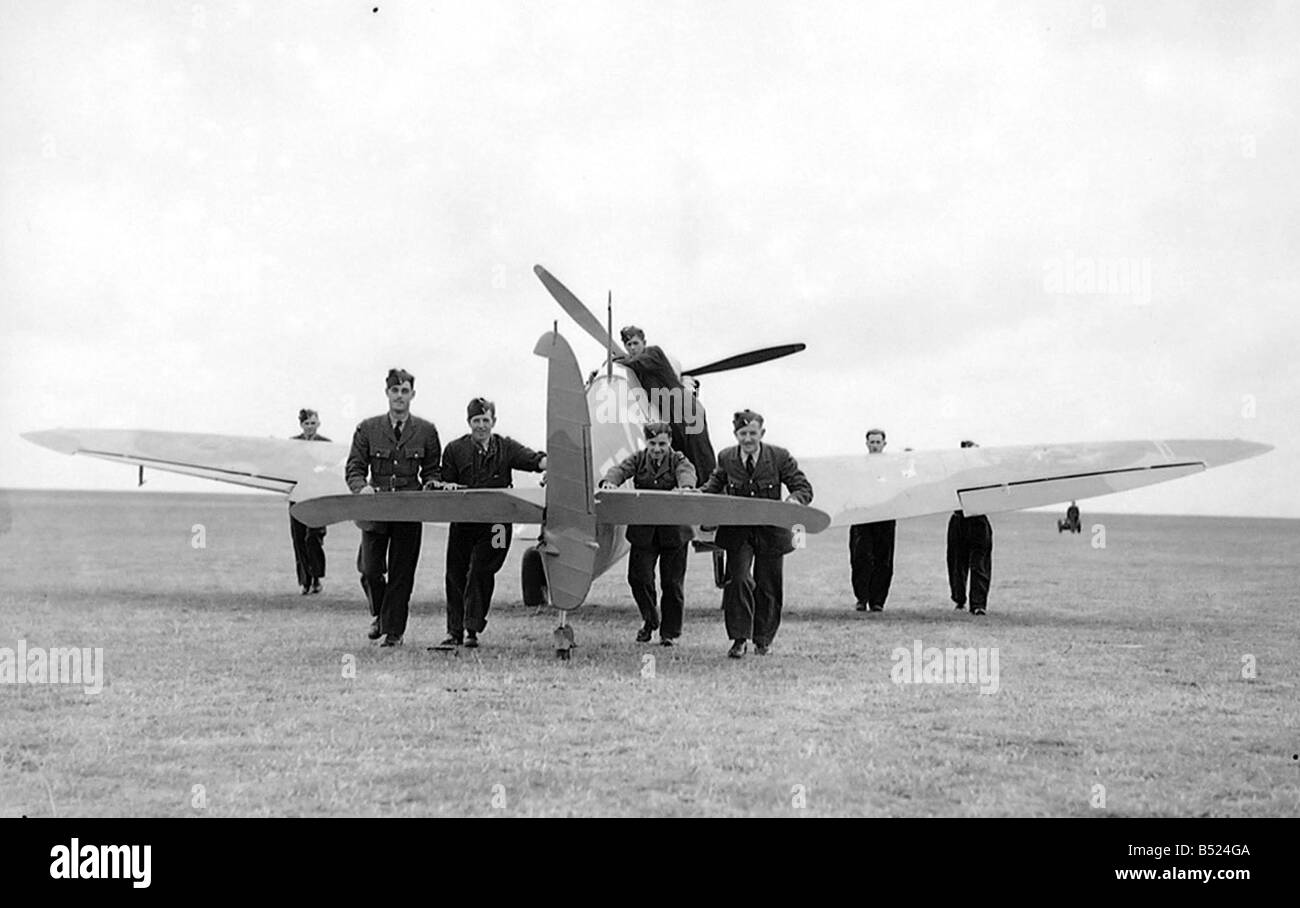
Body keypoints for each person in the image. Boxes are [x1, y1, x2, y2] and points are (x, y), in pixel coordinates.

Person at [700, 409, 813, 658]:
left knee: (769, 585)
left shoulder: (779, 456)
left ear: (762, 432)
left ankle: (763, 639)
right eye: (743, 433)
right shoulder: (727, 457)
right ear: (735, 434)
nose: (748, 439)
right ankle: (739, 638)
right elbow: (713, 486)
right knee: (737, 580)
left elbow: (803, 487)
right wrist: (694, 495)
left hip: (771, 532)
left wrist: (795, 500)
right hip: (738, 533)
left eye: (753, 433)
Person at [435, 398, 546, 649]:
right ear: (469, 423)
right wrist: (447, 485)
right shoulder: (454, 450)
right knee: (455, 573)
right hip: (464, 522)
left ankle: (472, 627)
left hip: (497, 526)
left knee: (481, 569)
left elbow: (534, 460)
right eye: (477, 421)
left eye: (486, 420)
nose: (481, 426)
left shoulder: (506, 447)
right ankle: (454, 632)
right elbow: (443, 480)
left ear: (493, 421)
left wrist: (553, 466)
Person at [345, 368, 441, 647]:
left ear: (413, 394)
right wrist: (361, 487)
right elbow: (355, 467)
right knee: (370, 569)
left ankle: (394, 632)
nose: (400, 396)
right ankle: (380, 613)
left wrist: (432, 484)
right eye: (395, 391)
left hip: (409, 509)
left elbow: (433, 470)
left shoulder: (426, 431)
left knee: (402, 573)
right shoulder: (368, 428)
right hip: (375, 508)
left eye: (405, 391)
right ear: (387, 393)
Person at [599, 422, 698, 646]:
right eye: (652, 443)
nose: (657, 449)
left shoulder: (679, 460)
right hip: (644, 532)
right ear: (647, 442)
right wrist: (609, 482)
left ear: (670, 442)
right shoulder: (638, 459)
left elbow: (687, 473)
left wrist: (687, 487)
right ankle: (650, 620)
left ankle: (669, 633)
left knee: (672, 584)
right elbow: (620, 470)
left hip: (674, 533)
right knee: (638, 579)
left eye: (662, 444)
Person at [612, 326, 716, 482]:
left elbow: (635, 362)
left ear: (644, 342)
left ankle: (713, 488)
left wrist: (615, 361)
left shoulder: (653, 353)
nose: (632, 348)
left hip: (686, 408)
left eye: (635, 343)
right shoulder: (638, 369)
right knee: (681, 454)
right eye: (629, 345)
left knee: (700, 454)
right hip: (670, 414)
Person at [849, 427, 895, 612]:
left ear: (884, 444)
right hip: (862, 516)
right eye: (872, 442)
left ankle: (878, 601)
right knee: (860, 557)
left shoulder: (892, 465)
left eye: (878, 442)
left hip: (885, 516)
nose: (875, 446)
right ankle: (862, 597)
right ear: (866, 443)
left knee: (883, 557)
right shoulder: (859, 466)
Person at [947, 440, 993, 616]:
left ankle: (978, 604)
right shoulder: (954, 474)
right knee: (957, 564)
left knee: (979, 564)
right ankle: (959, 599)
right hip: (959, 520)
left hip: (979, 520)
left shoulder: (986, 475)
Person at [289, 408, 332, 595]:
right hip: (298, 495)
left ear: (319, 423)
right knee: (299, 539)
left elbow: (333, 467)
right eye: (306, 423)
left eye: (313, 423)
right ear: (301, 425)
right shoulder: (292, 444)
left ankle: (316, 577)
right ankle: (305, 582)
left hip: (318, 496)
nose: (310, 427)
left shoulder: (327, 445)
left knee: (314, 536)